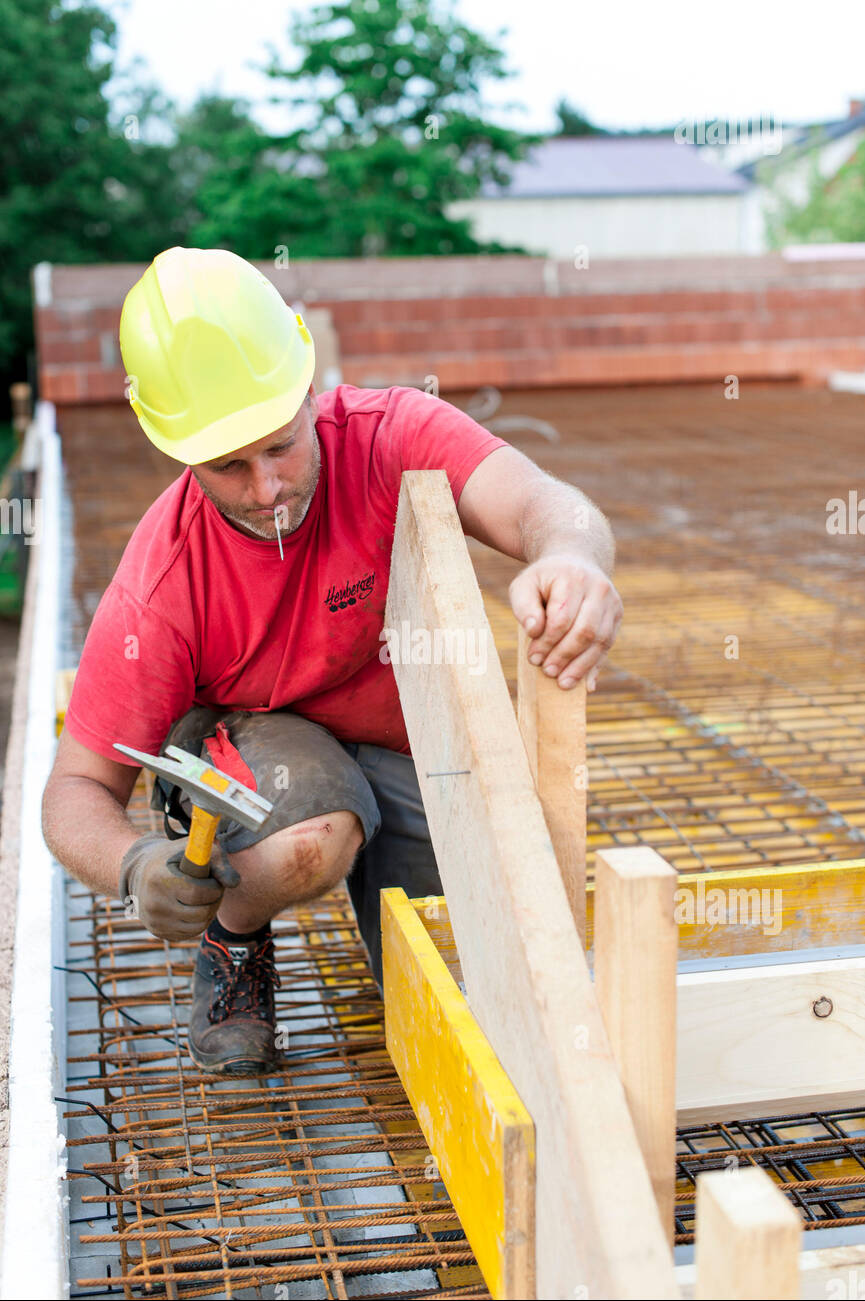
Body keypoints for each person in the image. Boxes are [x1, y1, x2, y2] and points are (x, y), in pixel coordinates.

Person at [42, 246, 623, 1075]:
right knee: (315, 834)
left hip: (404, 743)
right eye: (228, 466)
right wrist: (135, 866)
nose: (267, 487)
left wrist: (573, 557)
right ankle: (233, 937)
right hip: (256, 744)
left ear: (309, 385)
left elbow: (542, 502)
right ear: (175, 452)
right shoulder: (162, 583)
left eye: (279, 447)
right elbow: (74, 791)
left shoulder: (390, 435)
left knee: (468, 996)